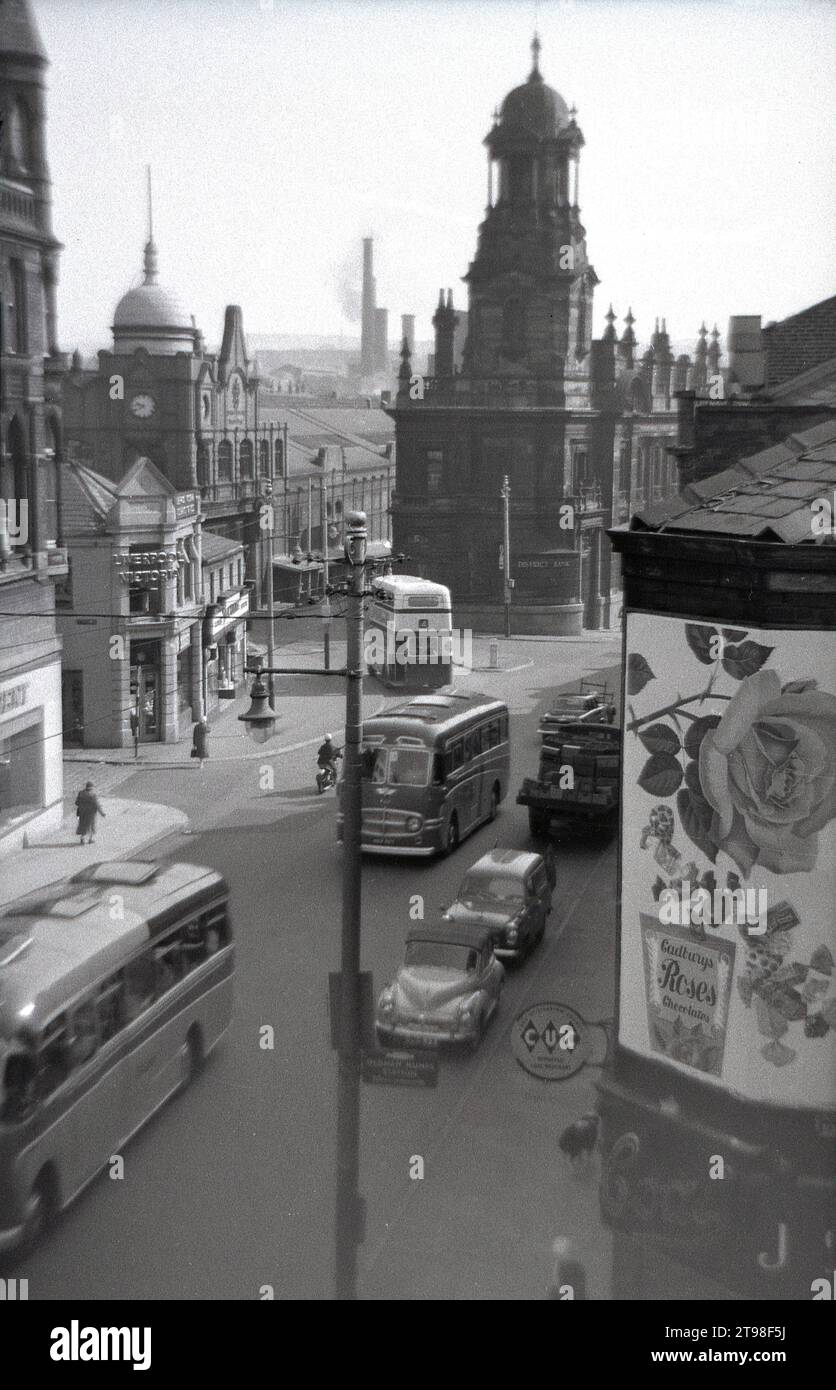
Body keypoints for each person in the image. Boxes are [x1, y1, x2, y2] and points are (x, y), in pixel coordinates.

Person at [75, 781, 105, 845]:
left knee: (83, 825)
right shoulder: (93, 795)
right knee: (92, 826)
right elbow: (97, 805)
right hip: (91, 813)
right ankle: (90, 839)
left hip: (82, 812)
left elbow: (76, 802)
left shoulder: (81, 793)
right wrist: (102, 813)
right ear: (92, 787)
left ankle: (82, 839)